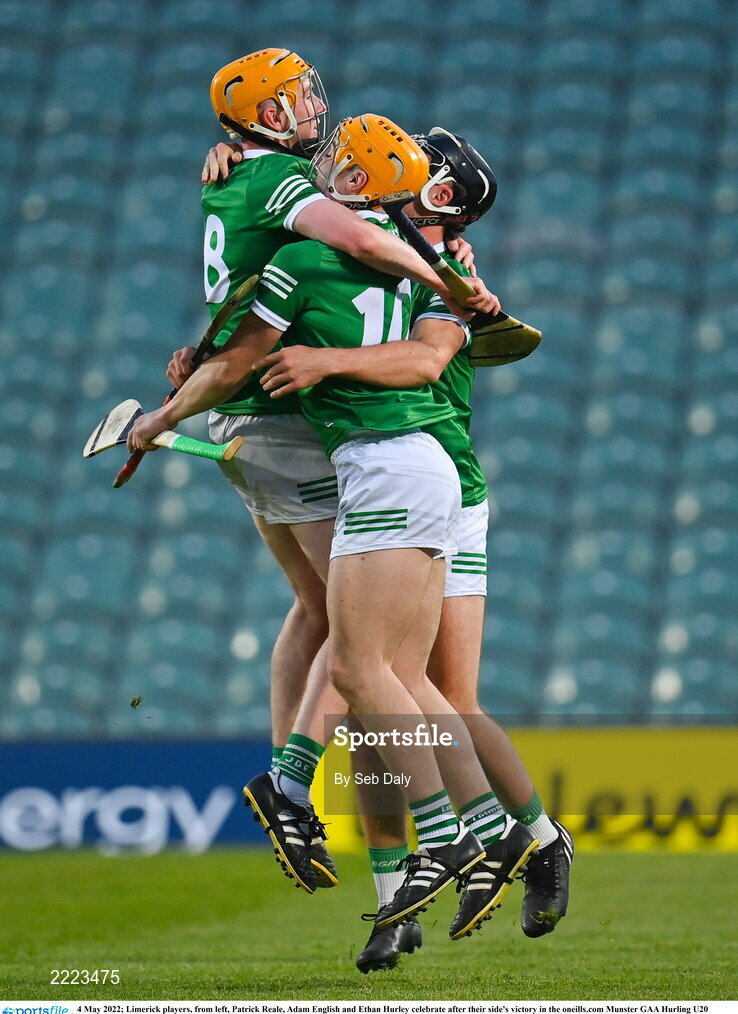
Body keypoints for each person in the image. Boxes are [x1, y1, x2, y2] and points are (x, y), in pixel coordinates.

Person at [128, 113, 535, 941]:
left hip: (386, 464)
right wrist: (241, 165)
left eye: (343, 163)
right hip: (415, 470)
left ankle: (414, 826)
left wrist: (179, 402)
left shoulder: (340, 255)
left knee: (368, 666)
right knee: (395, 677)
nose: (326, 163)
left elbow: (260, 354)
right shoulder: (433, 268)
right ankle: (482, 843)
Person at [254, 128, 573, 966]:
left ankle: (532, 840)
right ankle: (401, 894)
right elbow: (320, 189)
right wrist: (235, 157)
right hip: (405, 477)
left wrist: (317, 359)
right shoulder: (386, 248)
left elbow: (425, 364)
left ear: (440, 197)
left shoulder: (447, 273)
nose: (400, 175)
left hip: (447, 488)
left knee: (430, 697)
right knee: (380, 700)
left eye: (422, 173)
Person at [180, 49, 494, 888]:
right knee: (385, 675)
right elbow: (347, 243)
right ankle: (474, 840)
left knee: (336, 632)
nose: (330, 126)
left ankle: (377, 859)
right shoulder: (405, 256)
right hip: (338, 443)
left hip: (275, 426)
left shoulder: (432, 258)